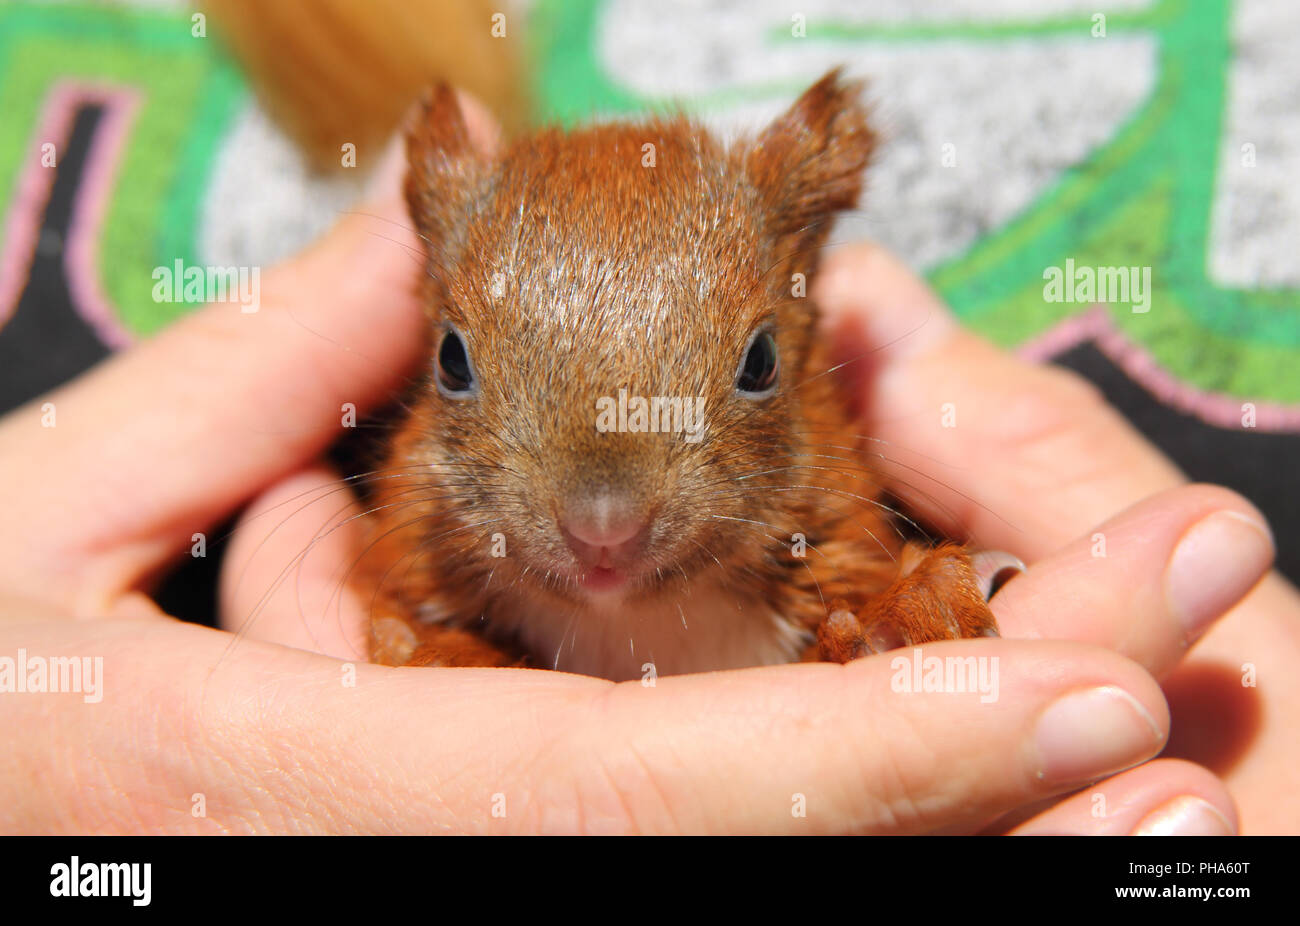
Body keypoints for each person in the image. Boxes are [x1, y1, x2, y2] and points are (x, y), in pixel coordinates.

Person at [0, 94, 1290, 835]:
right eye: (462, 368)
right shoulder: (413, 551)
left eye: (744, 374)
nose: (602, 521)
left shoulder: (829, 517)